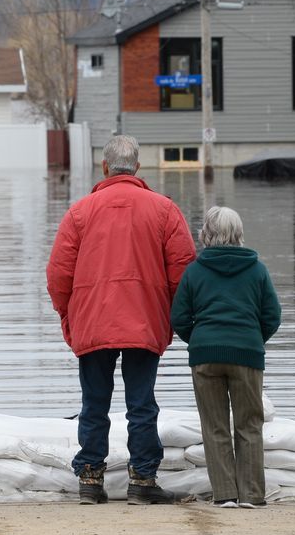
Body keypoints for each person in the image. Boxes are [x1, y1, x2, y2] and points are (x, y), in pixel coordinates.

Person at [47, 135, 196, 505]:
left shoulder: (79, 212)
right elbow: (183, 272)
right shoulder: (164, 210)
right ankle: (143, 480)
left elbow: (58, 275)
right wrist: (174, 317)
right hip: (144, 320)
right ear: (138, 168)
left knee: (93, 403)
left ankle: (90, 479)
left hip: (94, 320)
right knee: (142, 404)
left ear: (104, 167)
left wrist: (69, 318)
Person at [170, 206, 281, 509]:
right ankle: (251, 495)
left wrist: (201, 341)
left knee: (214, 425)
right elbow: (273, 315)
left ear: (205, 233)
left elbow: (179, 317)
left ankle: (225, 495)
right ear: (239, 232)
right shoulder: (257, 269)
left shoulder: (194, 271)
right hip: (247, 354)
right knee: (249, 424)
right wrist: (253, 340)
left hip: (205, 356)